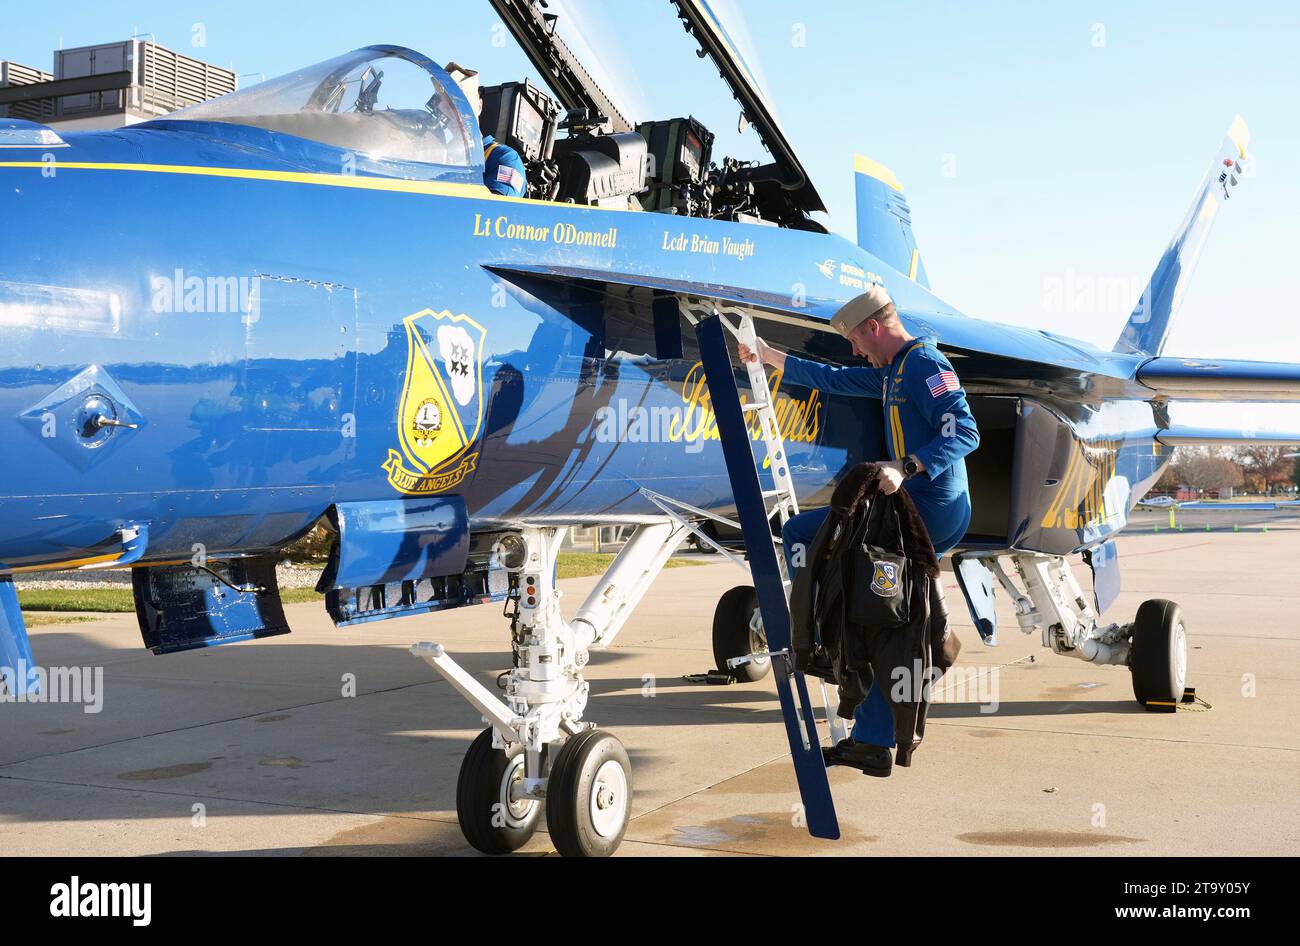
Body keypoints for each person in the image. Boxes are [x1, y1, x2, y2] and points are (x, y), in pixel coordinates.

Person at [739, 283, 979, 777]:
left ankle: (823, 633)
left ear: (874, 327)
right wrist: (768, 355)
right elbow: (835, 379)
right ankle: (870, 735)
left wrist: (908, 466)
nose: (853, 349)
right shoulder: (892, 372)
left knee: (823, 553)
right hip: (905, 506)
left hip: (932, 508)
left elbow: (965, 429)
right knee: (872, 611)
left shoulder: (925, 365)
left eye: (854, 339)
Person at [444, 62, 528, 197]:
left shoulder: (503, 158)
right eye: (448, 106)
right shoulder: (437, 157)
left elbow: (497, 209)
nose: (455, 113)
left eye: (461, 105)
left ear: (479, 106)